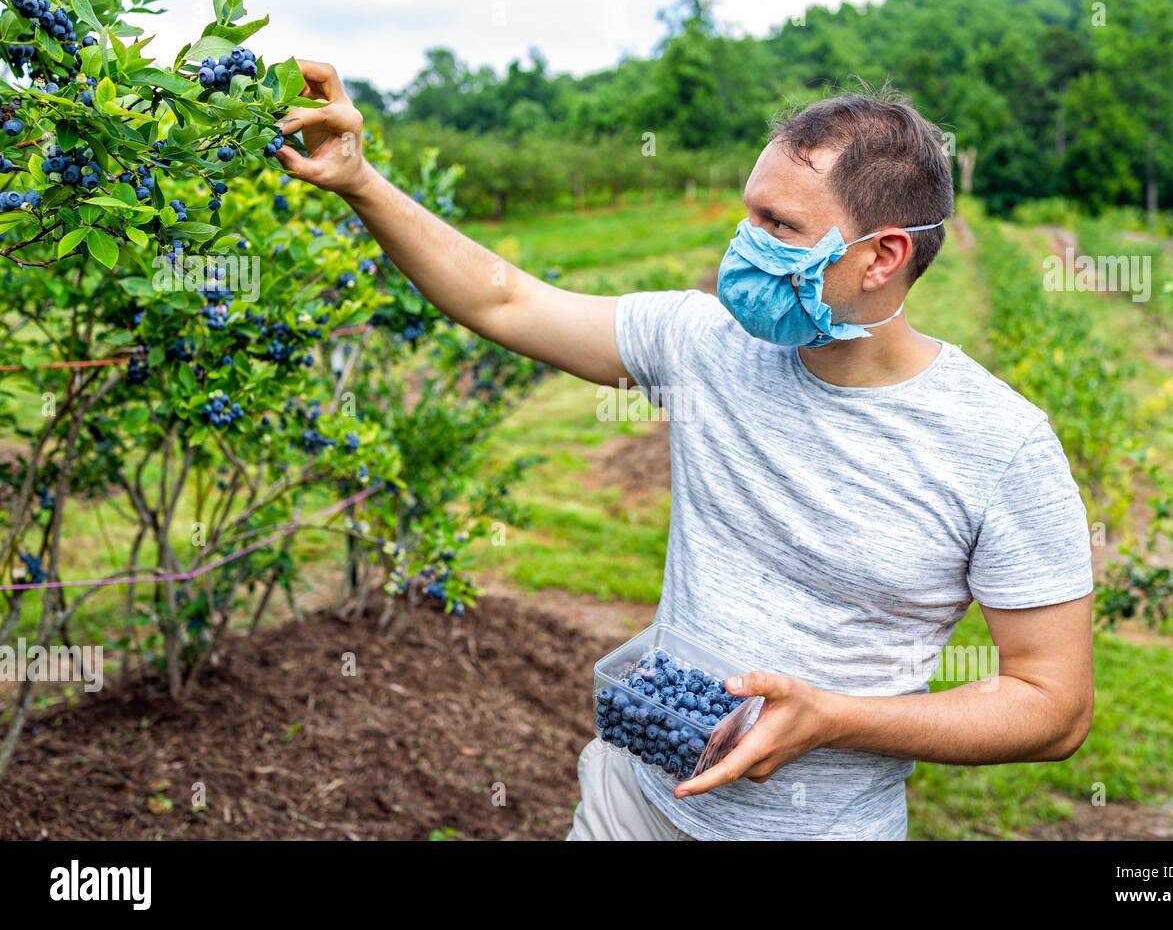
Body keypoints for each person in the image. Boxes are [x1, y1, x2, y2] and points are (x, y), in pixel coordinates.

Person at [277, 62, 1095, 841]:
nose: (745, 246)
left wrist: (836, 720)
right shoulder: (706, 343)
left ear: (883, 256)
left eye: (780, 227)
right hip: (629, 801)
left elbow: (1053, 707)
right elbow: (506, 300)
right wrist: (360, 180)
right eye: (750, 214)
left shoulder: (999, 445)